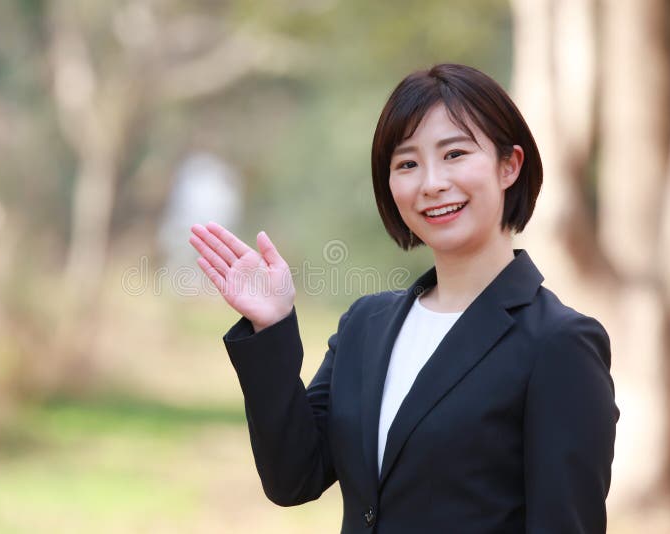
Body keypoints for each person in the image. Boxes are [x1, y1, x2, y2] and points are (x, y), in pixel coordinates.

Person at [188, 63, 618, 534]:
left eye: (455, 154)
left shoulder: (559, 343)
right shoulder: (366, 325)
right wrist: (271, 325)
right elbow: (293, 477)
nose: (431, 183)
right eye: (407, 164)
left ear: (509, 166)